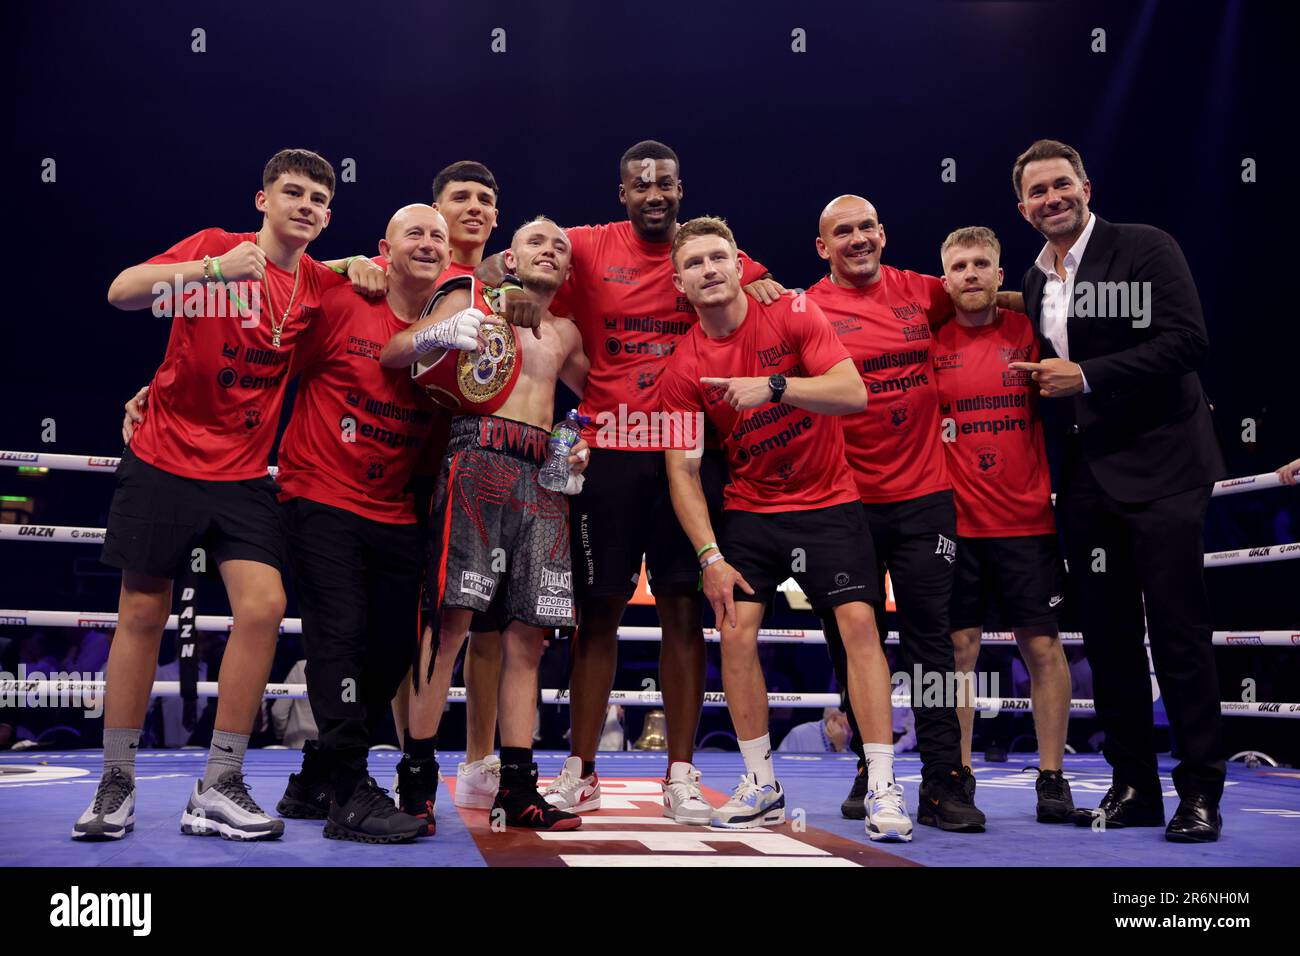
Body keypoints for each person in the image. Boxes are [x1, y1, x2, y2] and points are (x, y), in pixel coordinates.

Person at [74, 149, 380, 842]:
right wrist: (209, 271)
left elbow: (381, 281)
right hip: (163, 460)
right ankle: (115, 783)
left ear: (327, 217)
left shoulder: (318, 289)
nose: (304, 205)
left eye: (317, 200)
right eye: (291, 192)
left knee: (266, 605)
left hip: (244, 475)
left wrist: (365, 264)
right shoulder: (217, 250)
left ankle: (219, 783)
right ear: (262, 200)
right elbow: (123, 290)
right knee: (143, 612)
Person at [502, 141, 781, 824]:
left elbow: (765, 301)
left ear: (681, 190)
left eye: (664, 186)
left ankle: (680, 773)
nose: (653, 195)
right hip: (611, 452)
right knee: (596, 612)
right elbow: (511, 276)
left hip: (691, 449)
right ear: (621, 192)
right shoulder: (589, 247)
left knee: (685, 611)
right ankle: (581, 767)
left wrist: (764, 283)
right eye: (639, 186)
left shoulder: (715, 258)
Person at [660, 217, 911, 841]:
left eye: (720, 257)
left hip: (829, 500)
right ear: (680, 283)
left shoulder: (792, 311)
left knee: (859, 624)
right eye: (695, 264)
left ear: (740, 262)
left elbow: (852, 393)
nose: (710, 269)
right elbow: (683, 473)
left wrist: (774, 388)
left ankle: (884, 785)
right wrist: (710, 557)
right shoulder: (682, 366)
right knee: (735, 630)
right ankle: (761, 784)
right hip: (751, 508)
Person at [1010, 138, 1227, 842]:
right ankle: (1134, 786)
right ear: (1024, 208)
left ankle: (1200, 791)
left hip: (1163, 470)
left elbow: (1188, 340)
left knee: (1178, 631)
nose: (1052, 198)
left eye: (1061, 184)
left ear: (1086, 186)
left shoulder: (1144, 248)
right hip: (1086, 477)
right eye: (1038, 191)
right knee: (1106, 641)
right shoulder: (1039, 276)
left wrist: (1089, 374)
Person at [381, 217, 590, 830]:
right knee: (450, 627)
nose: (549, 250)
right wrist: (448, 327)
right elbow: (395, 351)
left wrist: (580, 441)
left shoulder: (569, 333)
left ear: (569, 271)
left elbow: (603, 398)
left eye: (560, 247)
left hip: (543, 479)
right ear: (510, 256)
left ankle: (519, 788)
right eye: (536, 242)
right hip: (476, 461)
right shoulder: (471, 297)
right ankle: (417, 780)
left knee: (529, 635)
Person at [268, 204, 457, 842]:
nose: (429, 243)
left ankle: (316, 775)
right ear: (385, 248)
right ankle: (349, 791)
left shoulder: (457, 324)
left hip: (394, 507)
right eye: (416, 233)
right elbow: (267, 363)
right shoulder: (343, 298)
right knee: (340, 635)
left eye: (438, 235)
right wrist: (158, 394)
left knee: (394, 648)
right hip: (319, 494)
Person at [805, 195, 986, 833]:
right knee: (851, 642)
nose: (857, 239)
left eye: (865, 227)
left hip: (923, 498)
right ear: (822, 247)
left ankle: (943, 779)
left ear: (883, 233)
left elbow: (984, 295)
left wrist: (1025, 301)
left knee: (930, 643)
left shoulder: (923, 291)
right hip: (842, 502)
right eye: (841, 232)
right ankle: (870, 762)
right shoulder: (804, 309)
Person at [931, 225, 1074, 822]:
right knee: (958, 652)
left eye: (981, 265)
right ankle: (958, 776)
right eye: (959, 266)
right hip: (955, 524)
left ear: (999, 274)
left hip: (1028, 521)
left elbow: (1064, 305)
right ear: (945, 279)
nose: (970, 274)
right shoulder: (928, 344)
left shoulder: (1033, 332)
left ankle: (1052, 777)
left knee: (1042, 646)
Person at [387, 162, 509, 814]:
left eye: (484, 199)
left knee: (485, 620)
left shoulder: (510, 288)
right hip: (404, 467)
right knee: (415, 625)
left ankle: (481, 761)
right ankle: (416, 760)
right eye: (458, 196)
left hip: (484, 472)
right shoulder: (400, 274)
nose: (471, 207)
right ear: (433, 211)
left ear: (495, 216)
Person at [777, 708, 852, 753]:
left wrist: (841, 748)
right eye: (853, 717)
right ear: (834, 719)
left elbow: (854, 774)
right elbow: (779, 768)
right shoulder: (799, 734)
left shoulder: (857, 736)